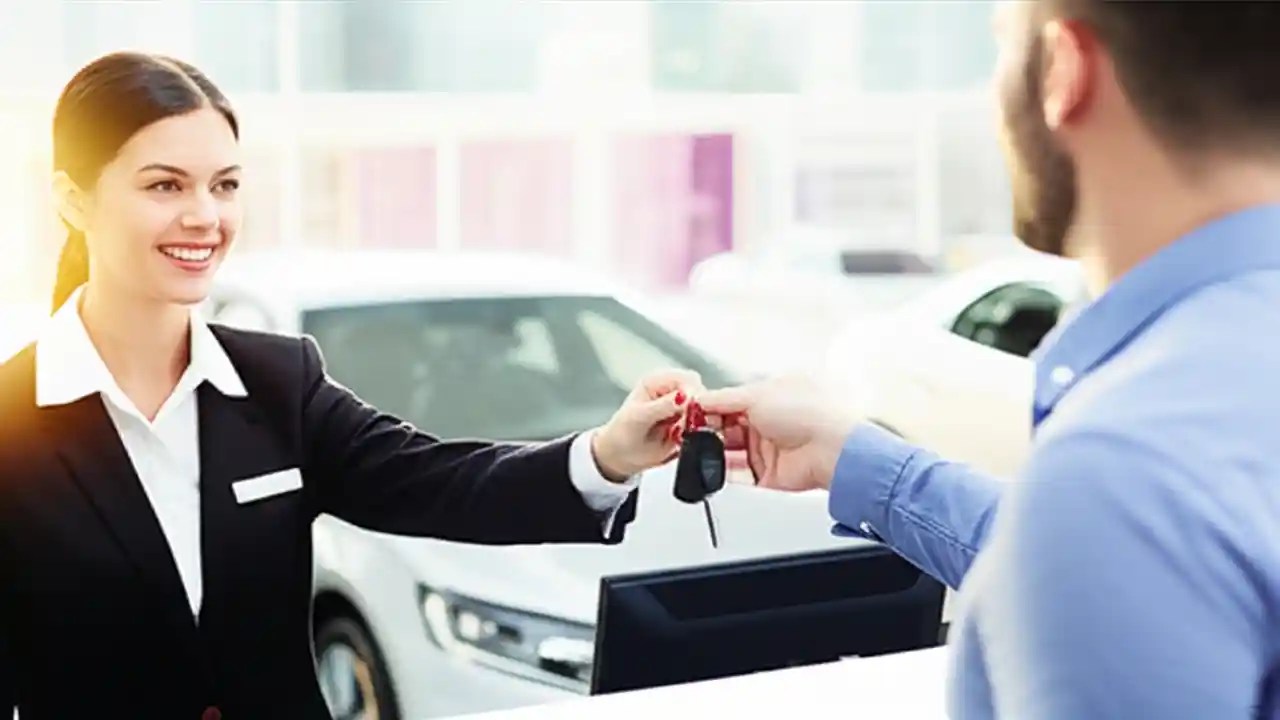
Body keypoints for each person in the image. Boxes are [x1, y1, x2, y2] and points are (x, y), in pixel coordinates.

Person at [0, 52, 701, 719]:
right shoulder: (10, 423)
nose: (205, 216)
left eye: (225, 185)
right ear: (73, 201)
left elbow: (442, 482)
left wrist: (609, 454)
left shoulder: (279, 384)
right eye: (165, 185)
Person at [699, 1, 1280, 718]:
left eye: (1002, 47)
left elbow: (1124, 547)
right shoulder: (1154, 477)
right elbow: (1146, 582)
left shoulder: (1125, 476)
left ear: (1062, 71)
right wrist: (857, 461)